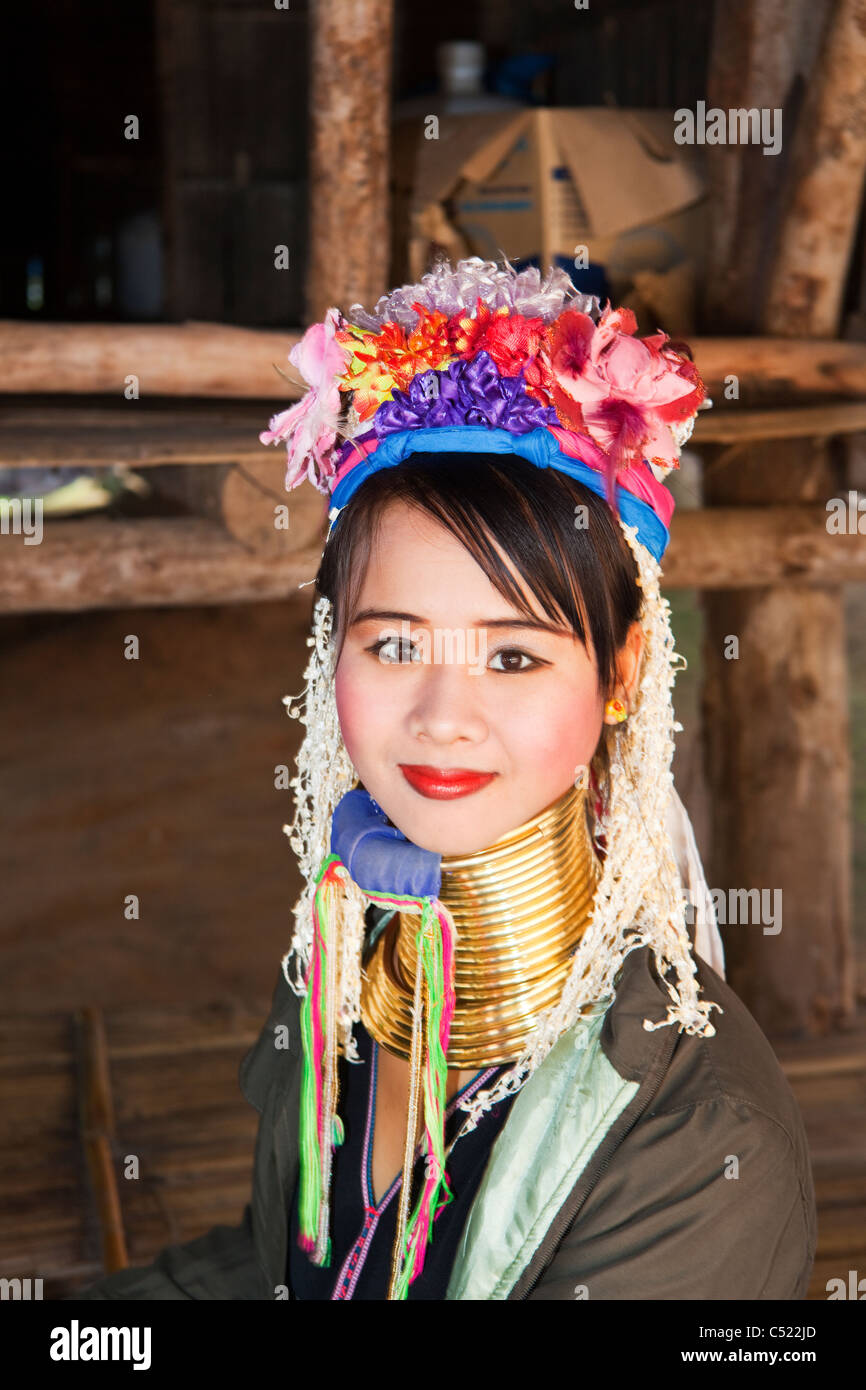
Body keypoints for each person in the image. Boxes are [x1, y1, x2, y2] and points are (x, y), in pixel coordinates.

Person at [70, 256, 816, 1301]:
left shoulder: (691, 1150)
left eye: (512, 657)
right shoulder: (345, 976)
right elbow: (291, 1267)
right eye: (393, 647)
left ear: (619, 673)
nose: (440, 719)